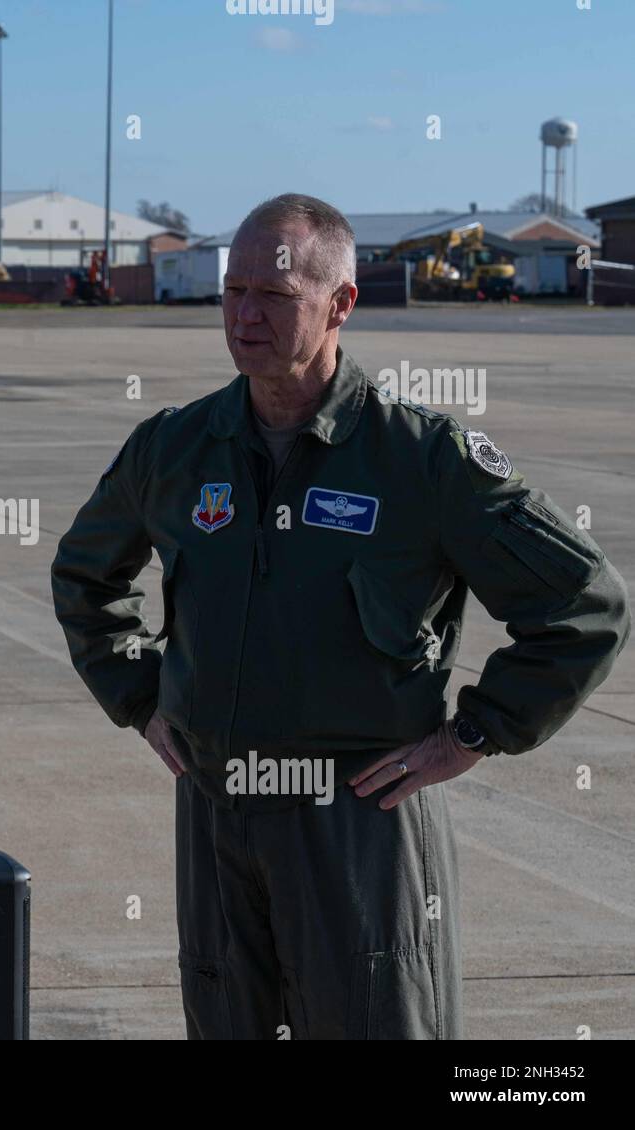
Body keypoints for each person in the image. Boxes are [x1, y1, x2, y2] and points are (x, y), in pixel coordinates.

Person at [51, 193, 630, 1039]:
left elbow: (586, 604)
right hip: (217, 810)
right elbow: (84, 576)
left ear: (341, 305)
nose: (245, 316)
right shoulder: (174, 449)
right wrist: (140, 699)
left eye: (276, 297)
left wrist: (473, 734)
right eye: (234, 291)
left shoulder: (421, 460)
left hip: (358, 823)